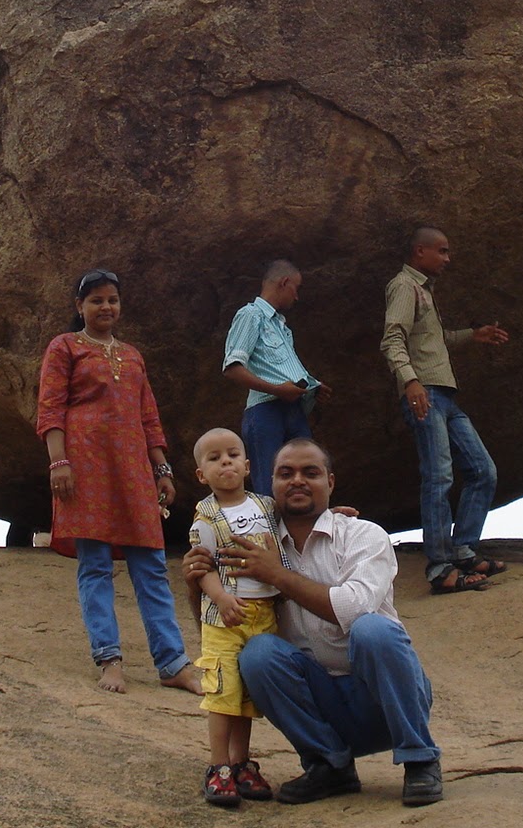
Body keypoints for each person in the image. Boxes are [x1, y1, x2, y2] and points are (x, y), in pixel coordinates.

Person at [185, 438, 447, 808]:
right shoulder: (255, 544)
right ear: (269, 485)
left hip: (384, 702)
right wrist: (196, 584)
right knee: (256, 654)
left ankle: (420, 758)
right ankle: (330, 765)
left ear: (331, 482)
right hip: (319, 706)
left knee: (373, 629)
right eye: (285, 473)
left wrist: (277, 576)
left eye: (311, 473)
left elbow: (354, 610)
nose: (297, 482)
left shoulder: (362, 534)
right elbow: (221, 635)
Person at [37, 268, 204, 694]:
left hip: (132, 471)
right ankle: (108, 658)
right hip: (85, 468)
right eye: (95, 300)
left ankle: (172, 663)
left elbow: (147, 416)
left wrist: (162, 468)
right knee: (95, 565)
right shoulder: (65, 347)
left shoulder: (131, 355)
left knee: (149, 565)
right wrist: (59, 463)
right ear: (80, 307)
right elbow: (51, 407)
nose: (105, 307)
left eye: (112, 299)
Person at [381, 226, 509, 593]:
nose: (448, 259)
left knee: (483, 470)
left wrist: (475, 335)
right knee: (439, 476)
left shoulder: (425, 292)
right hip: (425, 393)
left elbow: (438, 340)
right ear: (420, 252)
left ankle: (464, 550)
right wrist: (410, 382)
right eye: (443, 251)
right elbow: (392, 338)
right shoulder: (404, 286)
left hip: (445, 396)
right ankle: (440, 568)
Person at [187, 427, 282, 806]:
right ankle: (218, 765)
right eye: (214, 458)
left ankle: (242, 762)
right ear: (201, 475)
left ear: (246, 465)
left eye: (231, 455)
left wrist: (334, 516)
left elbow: (293, 533)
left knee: (246, 693)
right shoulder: (205, 520)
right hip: (225, 617)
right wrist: (221, 597)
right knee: (222, 690)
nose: (224, 461)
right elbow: (203, 568)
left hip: (264, 612)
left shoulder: (266, 507)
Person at [221, 260, 332, 494]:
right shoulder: (251, 315)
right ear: (284, 282)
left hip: (293, 410)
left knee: (308, 479)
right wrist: (277, 390)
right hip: (265, 411)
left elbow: (279, 368)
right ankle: (271, 532)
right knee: (270, 487)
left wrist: (312, 386)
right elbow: (232, 367)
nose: (297, 296)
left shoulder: (281, 326)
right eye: (296, 288)